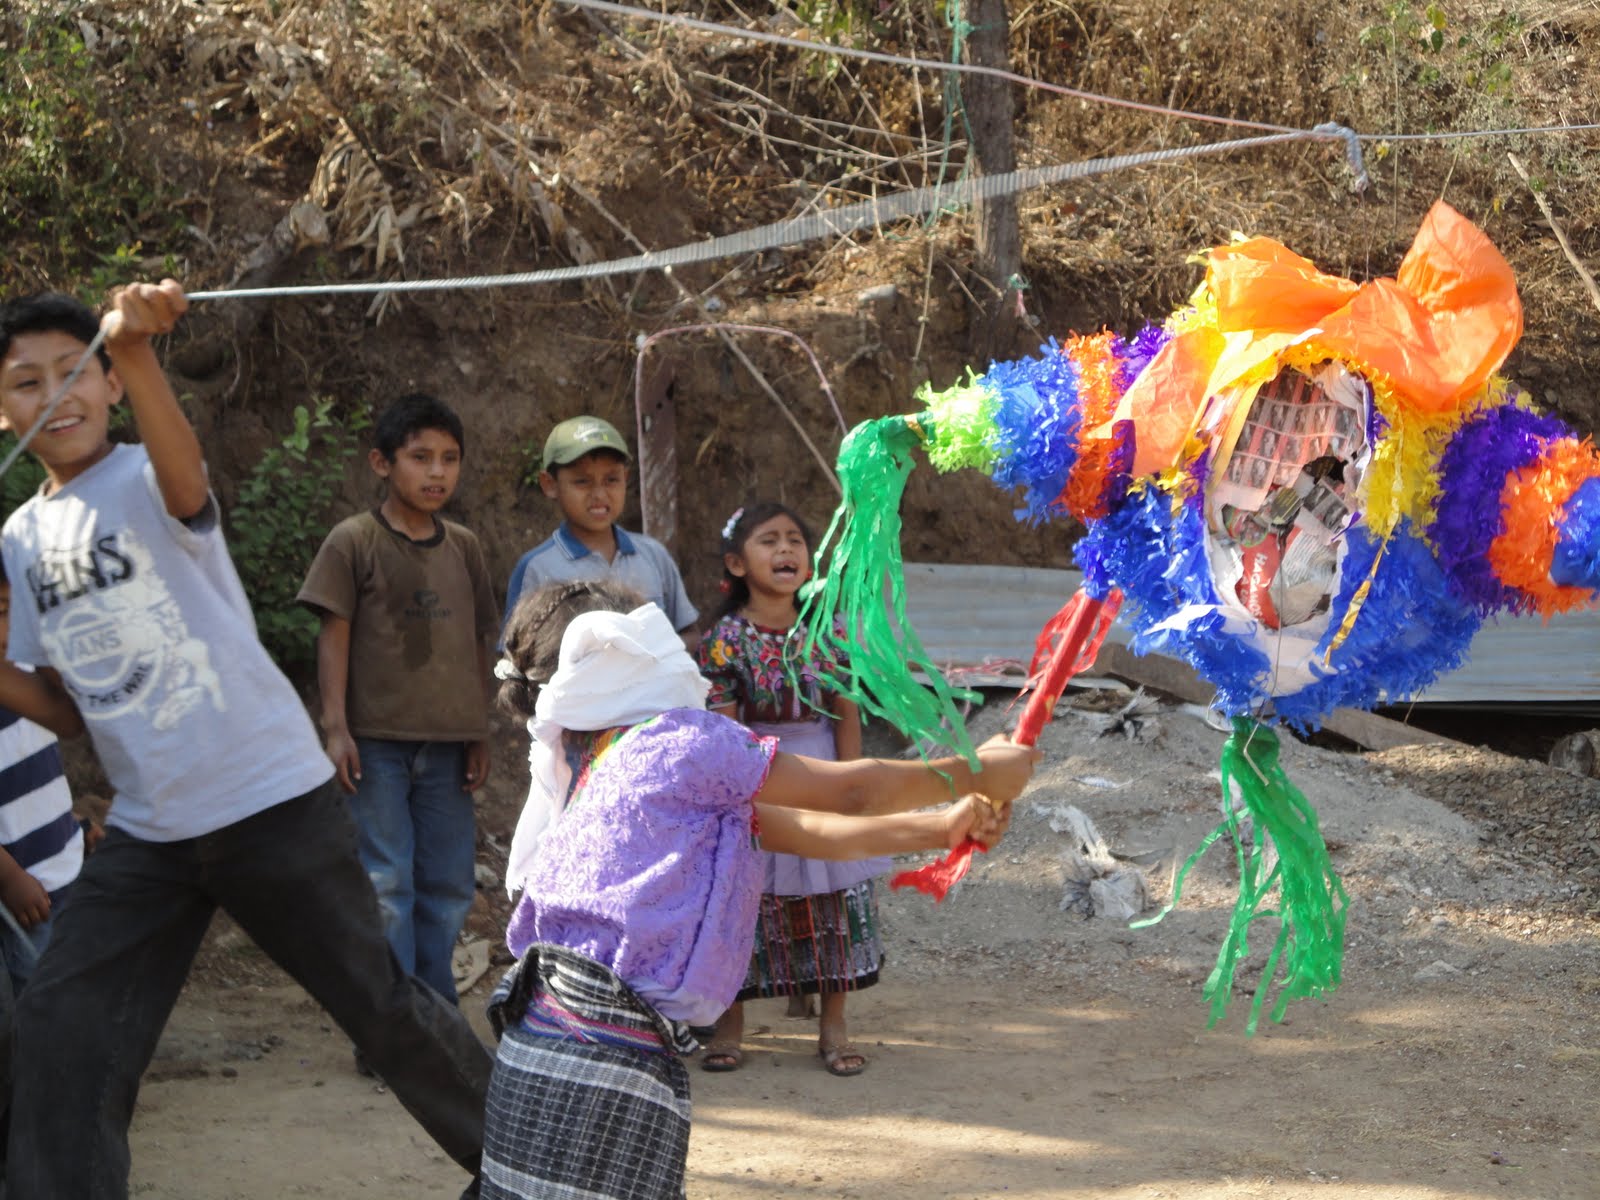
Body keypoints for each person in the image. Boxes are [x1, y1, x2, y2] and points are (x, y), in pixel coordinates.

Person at [0, 284, 491, 1198]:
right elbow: (69, 711)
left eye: (73, 372)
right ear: (2, 410)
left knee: (378, 1006)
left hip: (270, 801)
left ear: (108, 383)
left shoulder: (147, 477)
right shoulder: (19, 538)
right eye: (25, 383)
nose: (52, 396)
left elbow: (188, 482)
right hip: (151, 830)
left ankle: (547, 1170)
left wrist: (143, 348)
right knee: (62, 1020)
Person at [480, 579, 1037, 1200]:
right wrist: (977, 769)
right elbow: (851, 791)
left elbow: (791, 830)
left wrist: (941, 824)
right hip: (607, 1065)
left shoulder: (590, 761)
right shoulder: (682, 744)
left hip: (534, 1050)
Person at [298, 392, 498, 1008]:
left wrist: (479, 728)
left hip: (448, 749)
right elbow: (334, 636)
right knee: (386, 884)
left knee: (447, 886)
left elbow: (477, 641)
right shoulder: (352, 541)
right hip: (375, 745)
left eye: (449, 458)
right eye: (420, 458)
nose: (437, 472)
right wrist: (336, 729)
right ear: (382, 464)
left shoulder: (463, 546)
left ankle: (431, 1015)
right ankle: (390, 1028)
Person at [695, 501, 886, 1076]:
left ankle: (833, 1027)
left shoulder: (828, 630)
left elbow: (846, 715)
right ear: (736, 562)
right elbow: (723, 726)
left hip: (822, 767)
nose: (786, 550)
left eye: (795, 541)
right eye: (768, 541)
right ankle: (729, 1028)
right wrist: (737, 793)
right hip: (754, 773)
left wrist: (851, 787)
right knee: (741, 898)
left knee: (833, 895)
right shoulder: (724, 640)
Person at [0, 561, 89, 1184]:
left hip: (56, 874)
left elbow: (75, 718)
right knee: (12, 1041)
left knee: (55, 1032)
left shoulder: (27, 672)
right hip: (17, 887)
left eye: (9, 611)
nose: (3, 628)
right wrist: (7, 874)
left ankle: (44, 1164)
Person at [501, 415, 698, 649]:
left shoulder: (653, 556)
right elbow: (515, 658)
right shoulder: (537, 569)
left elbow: (691, 635)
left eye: (611, 480)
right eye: (582, 481)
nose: (599, 494)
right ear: (550, 484)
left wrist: (651, 653)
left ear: (625, 478)